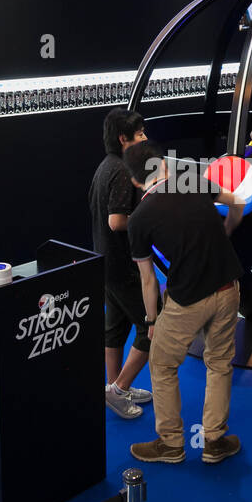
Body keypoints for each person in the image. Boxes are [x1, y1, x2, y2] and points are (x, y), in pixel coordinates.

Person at [123, 141, 244, 465]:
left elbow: (148, 280)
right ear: (163, 163)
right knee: (219, 364)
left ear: (136, 181)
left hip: (186, 299)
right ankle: (214, 442)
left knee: (162, 364)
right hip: (228, 287)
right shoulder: (191, 180)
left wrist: (151, 322)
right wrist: (227, 231)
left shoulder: (138, 219)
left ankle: (171, 444)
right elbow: (237, 201)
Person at [88, 108, 154, 421]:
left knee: (114, 328)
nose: (144, 138)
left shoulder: (104, 167)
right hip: (123, 266)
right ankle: (119, 389)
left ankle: (115, 388)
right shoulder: (123, 170)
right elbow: (116, 221)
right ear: (123, 138)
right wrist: (146, 221)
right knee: (153, 327)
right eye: (139, 134)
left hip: (104, 263)